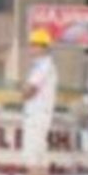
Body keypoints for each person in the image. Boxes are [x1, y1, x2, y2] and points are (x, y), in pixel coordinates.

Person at [22, 29, 57, 164]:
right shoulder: (42, 66)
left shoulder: (43, 66)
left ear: (43, 47)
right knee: (39, 158)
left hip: (37, 114)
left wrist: (24, 91)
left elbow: (29, 90)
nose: (31, 48)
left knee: (33, 158)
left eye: (34, 45)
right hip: (39, 114)